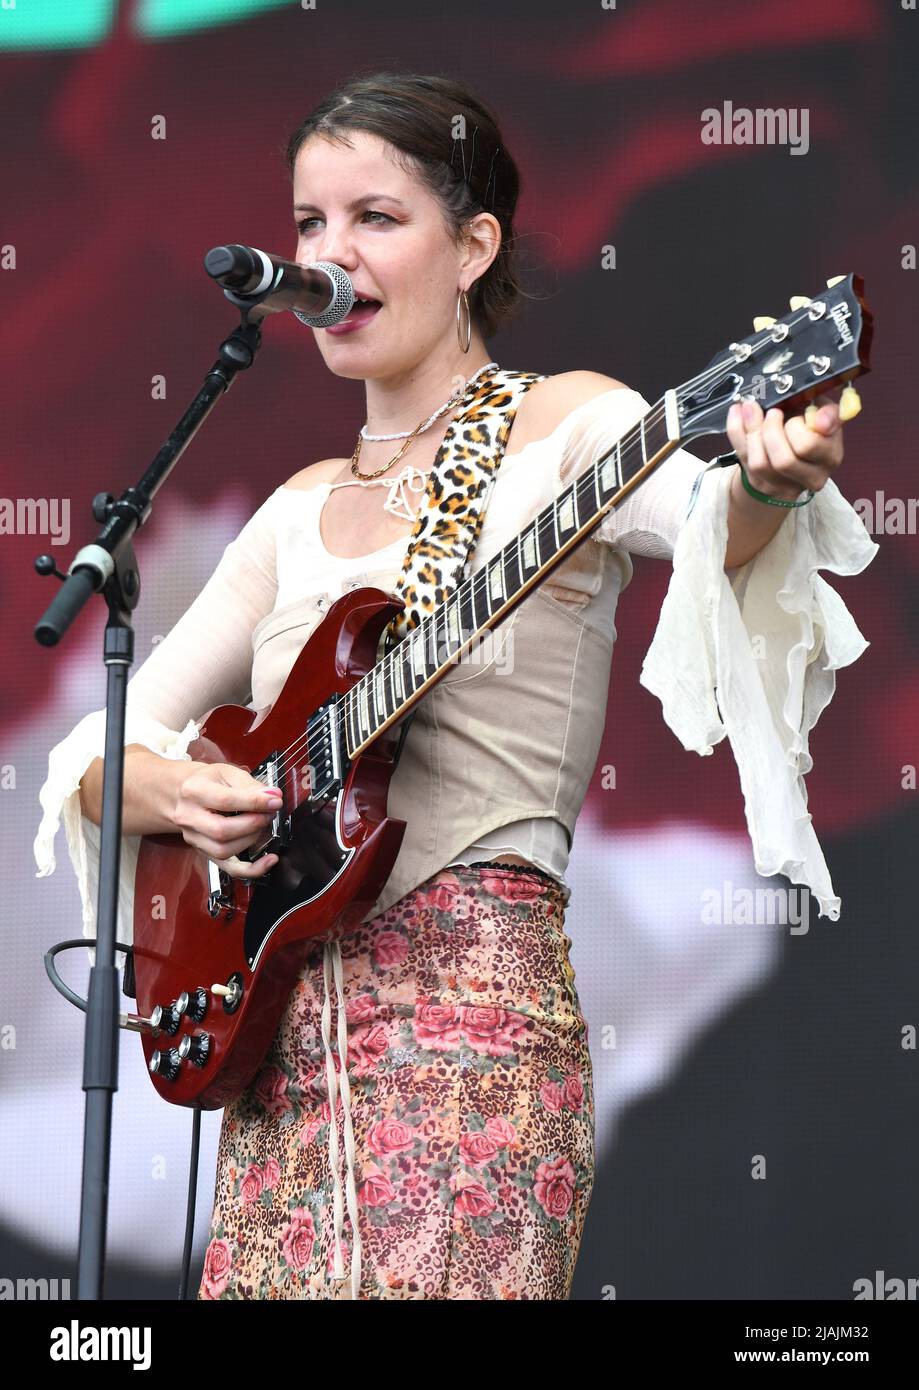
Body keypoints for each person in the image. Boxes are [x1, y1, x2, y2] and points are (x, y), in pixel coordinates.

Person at [33, 72, 877, 1301]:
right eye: (309, 224)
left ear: (474, 245)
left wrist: (768, 483)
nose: (329, 254)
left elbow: (710, 531)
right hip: (277, 1056)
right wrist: (175, 790)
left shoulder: (569, 428)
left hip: (472, 1030)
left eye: (374, 218)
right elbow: (100, 755)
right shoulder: (295, 512)